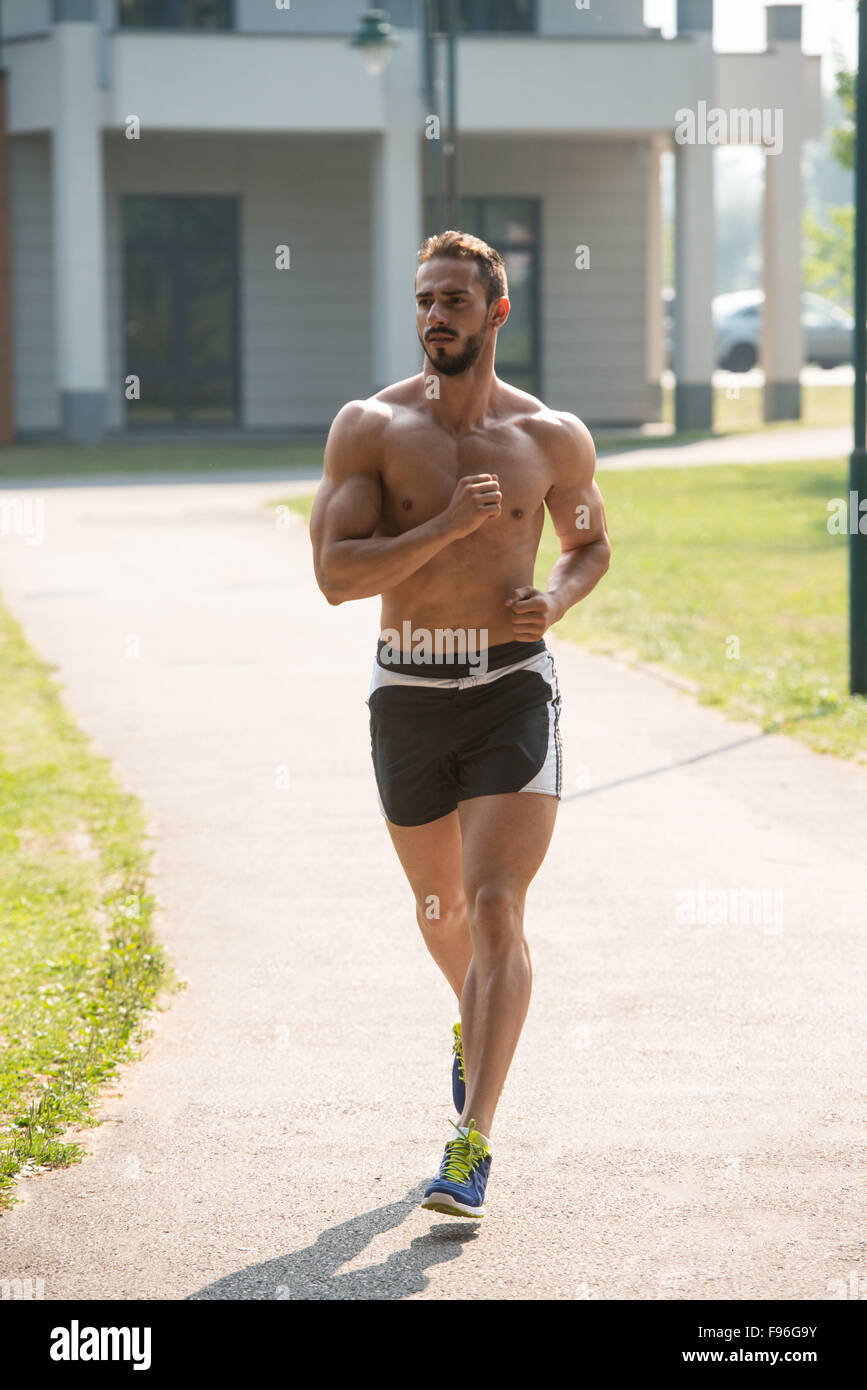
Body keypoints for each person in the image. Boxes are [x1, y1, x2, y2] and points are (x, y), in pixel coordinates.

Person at [310, 230, 610, 1218]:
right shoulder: (371, 427)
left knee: (493, 909)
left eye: (454, 300)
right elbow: (334, 579)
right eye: (425, 300)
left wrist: (556, 599)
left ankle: (472, 1140)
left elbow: (591, 544)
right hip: (408, 694)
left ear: (496, 313)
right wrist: (444, 527)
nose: (436, 316)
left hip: (510, 687)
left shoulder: (551, 438)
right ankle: (470, 1021)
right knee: (441, 914)